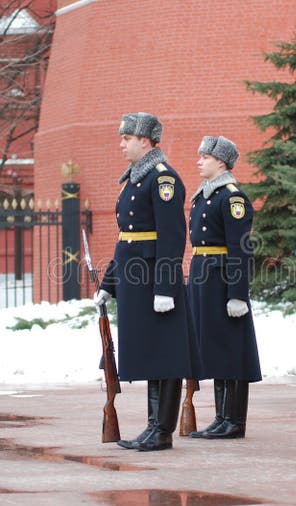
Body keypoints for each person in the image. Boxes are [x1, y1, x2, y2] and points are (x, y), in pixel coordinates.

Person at [94, 112, 202, 452]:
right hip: (134, 281)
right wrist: (109, 283)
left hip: (155, 283)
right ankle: (152, 425)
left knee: (164, 355)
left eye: (127, 138)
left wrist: (166, 288)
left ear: (145, 141)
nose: (121, 144)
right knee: (152, 354)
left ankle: (161, 429)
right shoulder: (135, 179)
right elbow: (127, 238)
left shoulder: (163, 178)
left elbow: (172, 237)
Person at [187, 136, 261, 439]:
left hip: (222, 280)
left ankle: (234, 420)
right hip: (204, 276)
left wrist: (237, 294)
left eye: (205, 157)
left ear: (220, 161)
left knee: (231, 348)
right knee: (215, 348)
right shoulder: (204, 196)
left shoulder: (232, 198)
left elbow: (240, 249)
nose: (199, 161)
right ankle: (221, 416)